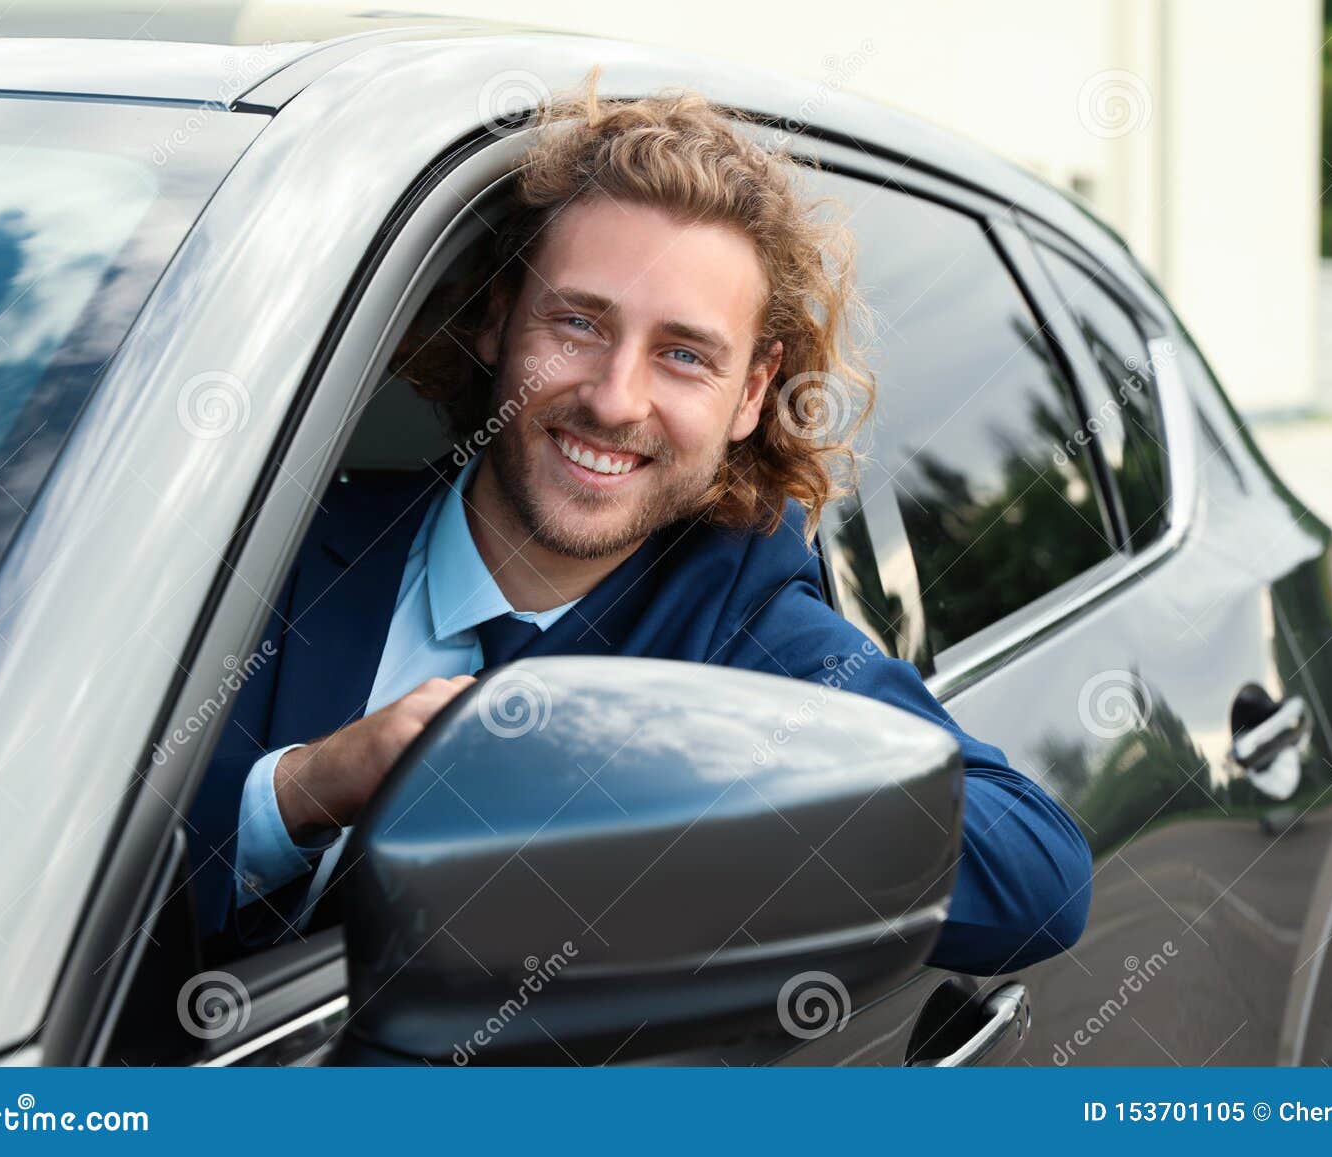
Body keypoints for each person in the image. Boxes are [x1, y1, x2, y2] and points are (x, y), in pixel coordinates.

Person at [187, 72, 1092, 977]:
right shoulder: (268, 543)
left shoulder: (747, 628)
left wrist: (647, 777)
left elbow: (1033, 876)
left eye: (684, 356)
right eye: (579, 323)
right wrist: (306, 787)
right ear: (498, 321)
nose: (617, 401)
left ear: (753, 393)